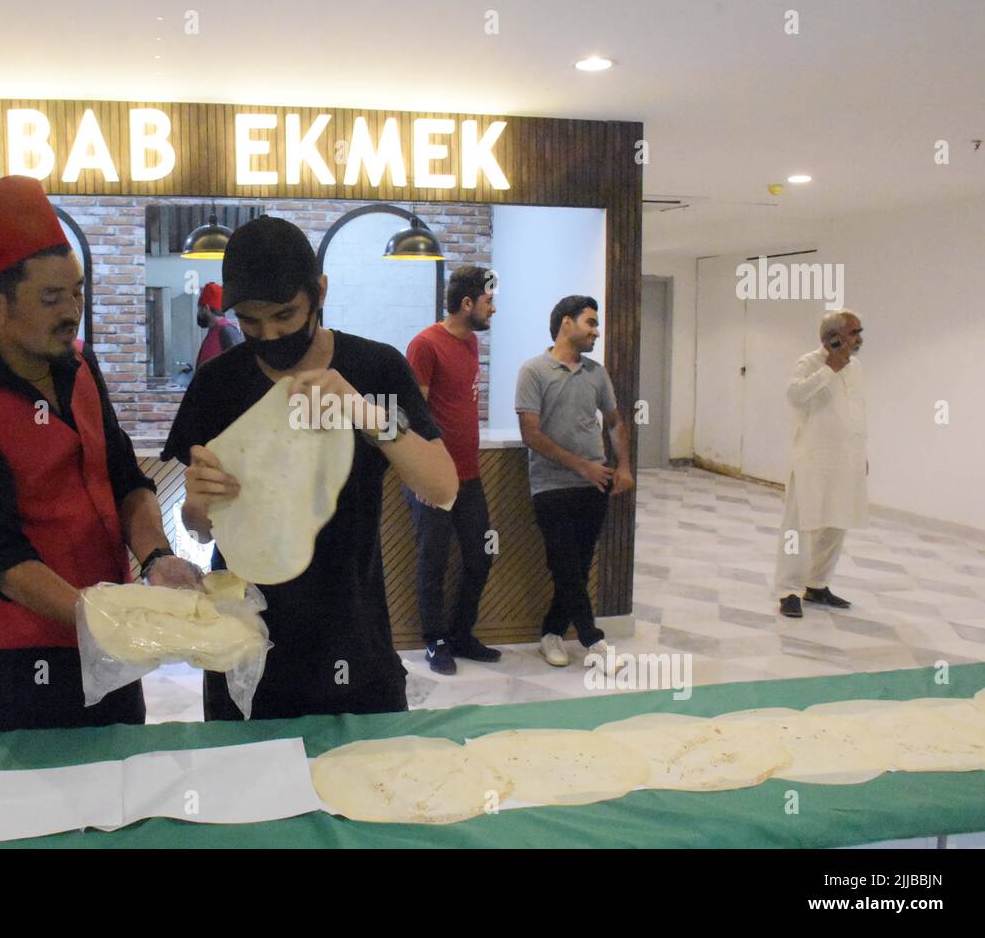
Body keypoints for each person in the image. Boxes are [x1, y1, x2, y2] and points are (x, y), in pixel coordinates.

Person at [0, 175, 203, 733]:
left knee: (121, 786)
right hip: (18, 661)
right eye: (51, 298)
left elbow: (124, 478)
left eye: (78, 291)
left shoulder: (80, 364)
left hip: (107, 640)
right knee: (34, 808)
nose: (72, 310)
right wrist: (100, 619)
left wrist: (156, 558)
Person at [162, 216, 458, 721]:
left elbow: (442, 485)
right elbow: (200, 528)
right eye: (250, 322)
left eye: (285, 314)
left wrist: (360, 409)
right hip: (246, 643)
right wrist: (197, 504)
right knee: (248, 794)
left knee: (367, 789)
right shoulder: (218, 384)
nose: (270, 333)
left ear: (319, 292)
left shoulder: (374, 368)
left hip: (354, 634)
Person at [515, 295, 633, 669]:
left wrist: (625, 467)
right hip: (551, 487)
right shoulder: (533, 371)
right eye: (591, 323)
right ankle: (593, 641)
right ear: (567, 323)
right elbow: (531, 435)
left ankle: (551, 633)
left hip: (594, 485)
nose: (597, 332)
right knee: (564, 564)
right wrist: (582, 466)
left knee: (577, 569)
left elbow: (614, 422)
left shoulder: (596, 373)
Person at [404, 265, 499, 675]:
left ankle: (461, 633)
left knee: (480, 557)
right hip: (433, 477)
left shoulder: (472, 343)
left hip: (469, 475)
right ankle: (435, 639)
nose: (493, 309)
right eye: (488, 301)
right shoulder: (425, 345)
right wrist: (424, 473)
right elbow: (411, 414)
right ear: (467, 303)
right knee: (434, 562)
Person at [774, 310, 867, 617]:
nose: (859, 338)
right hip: (812, 461)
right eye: (853, 332)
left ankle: (817, 584)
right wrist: (829, 369)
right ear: (833, 337)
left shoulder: (857, 369)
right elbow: (795, 396)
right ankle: (788, 590)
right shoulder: (809, 363)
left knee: (835, 523)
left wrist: (861, 455)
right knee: (799, 526)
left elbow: (855, 413)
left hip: (847, 460)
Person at [195, 281, 242, 369]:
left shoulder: (227, 330)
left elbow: (240, 366)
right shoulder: (214, 331)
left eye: (199, 309)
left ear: (206, 308)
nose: (198, 313)